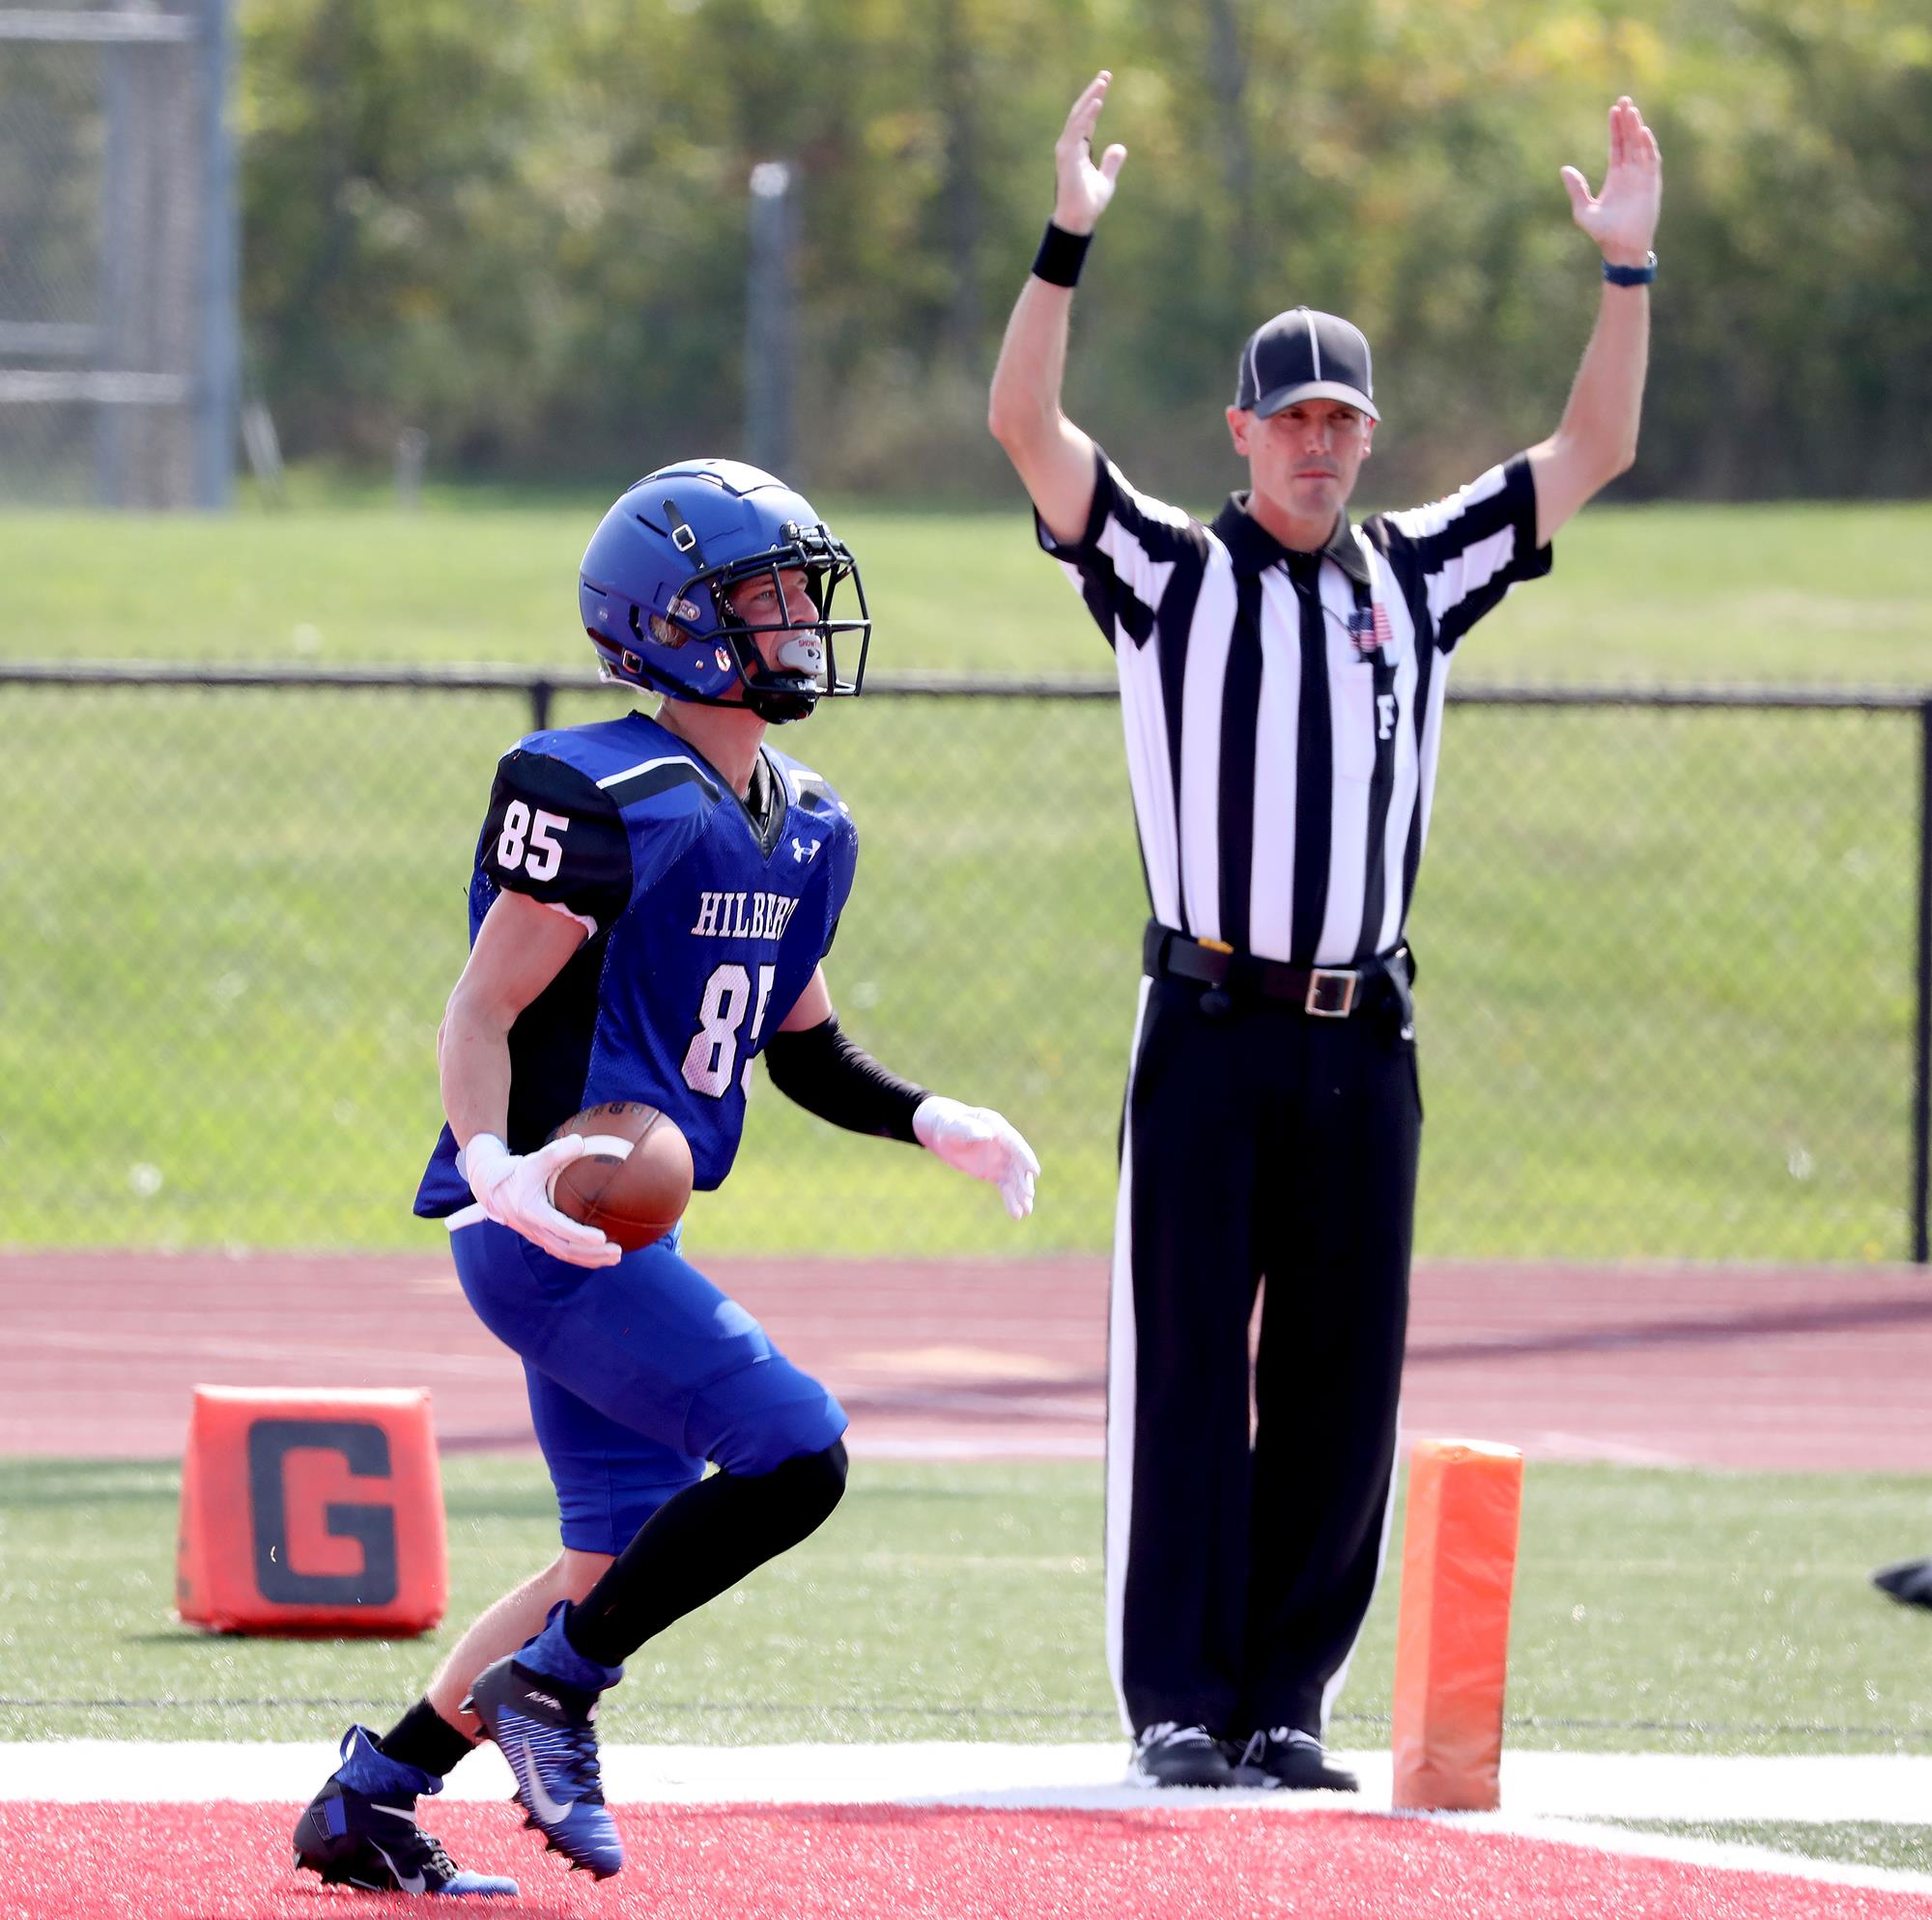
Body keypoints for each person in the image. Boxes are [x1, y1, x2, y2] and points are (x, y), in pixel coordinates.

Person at [988, 72, 1660, 1791]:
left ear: (1368, 435)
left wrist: (1626, 275)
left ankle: (1291, 1698)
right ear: (1239, 432)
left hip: (1366, 1031)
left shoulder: (1415, 578)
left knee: (1346, 1378)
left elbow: (1592, 455)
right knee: (1193, 1371)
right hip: (1209, 1023)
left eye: (1339, 420)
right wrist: (1065, 238)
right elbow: (1024, 429)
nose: (1314, 443)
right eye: (1286, 417)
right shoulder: (1162, 572)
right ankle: (1180, 1704)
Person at [292, 459, 1040, 1895]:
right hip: (550, 1222)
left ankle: (373, 1793)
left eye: (802, 594)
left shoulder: (806, 819)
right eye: (766, 596)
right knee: (795, 1453)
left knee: (609, 1564)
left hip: (632, 1235)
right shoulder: (603, 793)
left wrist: (929, 1114)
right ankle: (552, 1695)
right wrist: (493, 1163)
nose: (802, 624)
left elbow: (801, 1047)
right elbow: (482, 1011)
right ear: (671, 623)